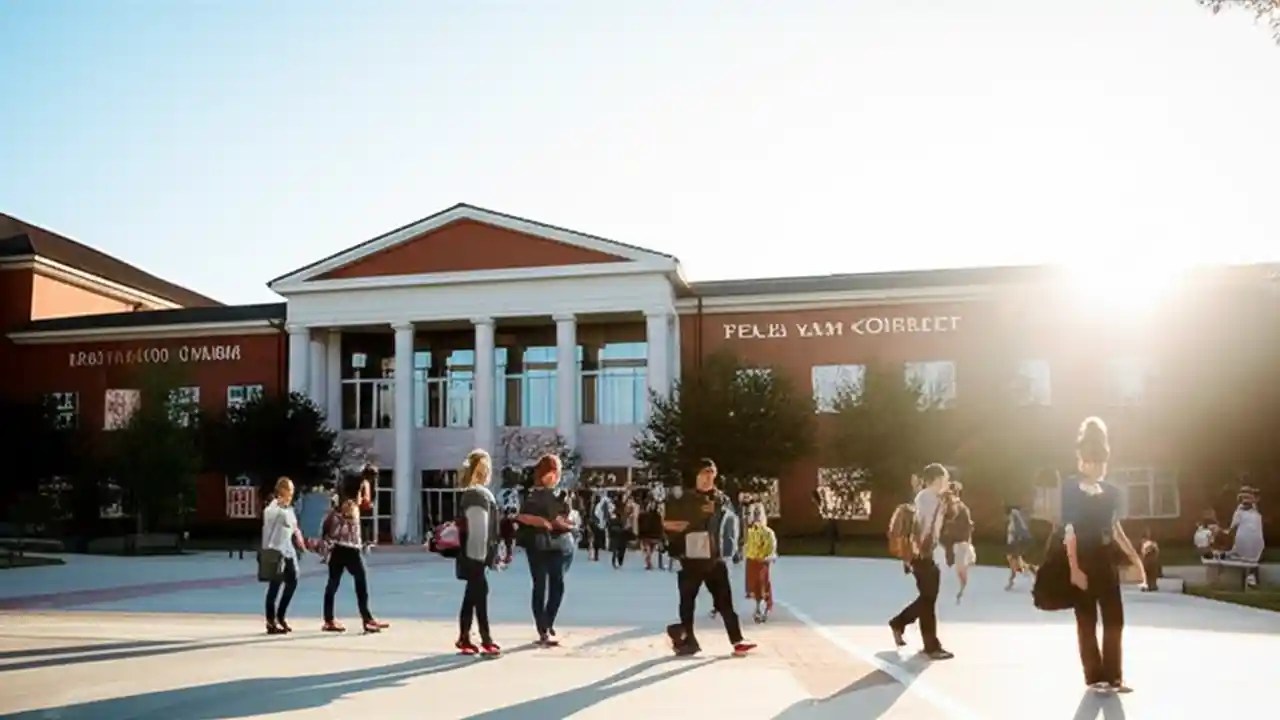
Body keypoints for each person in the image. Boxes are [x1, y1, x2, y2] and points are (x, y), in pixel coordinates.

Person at [1063, 417, 1145, 694]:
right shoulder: (1071, 490)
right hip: (1083, 559)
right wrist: (1074, 568)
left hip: (1106, 560)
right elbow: (1069, 531)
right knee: (1086, 620)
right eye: (1091, 461)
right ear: (1081, 461)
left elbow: (1115, 527)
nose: (1097, 467)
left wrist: (1135, 558)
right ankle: (1094, 676)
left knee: (1114, 619)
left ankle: (1114, 677)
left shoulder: (1111, 492)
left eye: (1101, 462)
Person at [663, 458, 756, 657]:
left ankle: (737, 640)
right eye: (703, 473)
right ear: (696, 476)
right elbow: (670, 525)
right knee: (687, 603)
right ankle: (686, 639)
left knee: (725, 602)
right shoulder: (684, 499)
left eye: (711, 473)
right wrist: (679, 547)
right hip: (691, 559)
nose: (707, 478)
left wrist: (734, 547)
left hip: (715, 559)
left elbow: (731, 524)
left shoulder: (721, 499)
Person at [888, 463, 954, 660]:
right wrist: (916, 554)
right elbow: (922, 527)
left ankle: (902, 625)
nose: (948, 482)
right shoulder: (927, 498)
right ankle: (929, 644)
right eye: (946, 478)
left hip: (925, 553)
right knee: (928, 598)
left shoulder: (934, 498)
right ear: (937, 479)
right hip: (922, 554)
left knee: (928, 598)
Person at [516, 454, 575, 646]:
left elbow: (570, 519)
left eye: (558, 471)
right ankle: (542, 628)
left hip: (559, 543)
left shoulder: (562, 495)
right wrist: (540, 522)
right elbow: (520, 516)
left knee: (558, 584)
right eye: (553, 471)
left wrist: (564, 523)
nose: (556, 475)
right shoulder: (530, 494)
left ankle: (549, 622)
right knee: (540, 584)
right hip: (537, 544)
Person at [320, 475, 390, 634]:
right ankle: (367, 619)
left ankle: (329, 619)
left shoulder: (341, 502)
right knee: (361, 580)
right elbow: (366, 503)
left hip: (337, 548)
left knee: (333, 583)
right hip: (350, 548)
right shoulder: (350, 505)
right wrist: (366, 486)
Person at [456, 449, 501, 657]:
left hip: (473, 555)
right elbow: (479, 530)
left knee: (472, 596)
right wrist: (481, 559)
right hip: (475, 555)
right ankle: (486, 639)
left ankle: (465, 638)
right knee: (479, 594)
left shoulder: (473, 493)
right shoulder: (477, 494)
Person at [262, 476, 305, 634]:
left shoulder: (289, 508)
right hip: (276, 550)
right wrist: (280, 507)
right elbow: (270, 520)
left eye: (292, 490)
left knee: (293, 580)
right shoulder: (273, 508)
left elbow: (294, 527)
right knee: (275, 585)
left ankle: (281, 615)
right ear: (282, 490)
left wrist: (300, 541)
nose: (291, 493)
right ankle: (270, 621)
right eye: (289, 490)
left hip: (288, 550)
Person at [938, 482, 976, 604]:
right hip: (949, 541)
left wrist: (967, 542)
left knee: (960, 568)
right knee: (947, 565)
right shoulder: (944, 507)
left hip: (960, 542)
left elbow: (968, 527)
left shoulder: (962, 508)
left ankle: (962, 590)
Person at [743, 503, 777, 623]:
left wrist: (769, 557)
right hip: (752, 561)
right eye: (754, 514)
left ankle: (764, 609)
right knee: (754, 586)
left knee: (764, 585)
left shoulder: (767, 532)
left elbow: (772, 547)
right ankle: (757, 609)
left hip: (761, 562)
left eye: (758, 514)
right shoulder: (751, 531)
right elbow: (748, 546)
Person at [1228, 487, 1265, 587]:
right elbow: (1233, 528)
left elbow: (1233, 528)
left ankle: (1251, 580)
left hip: (1255, 540)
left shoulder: (1255, 511)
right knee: (1247, 561)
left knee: (1251, 561)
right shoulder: (1240, 512)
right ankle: (1249, 581)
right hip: (1245, 540)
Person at [1005, 503, 1036, 590]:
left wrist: (1014, 542)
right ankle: (1012, 581)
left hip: (1015, 545)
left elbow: (1019, 533)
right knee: (1016, 563)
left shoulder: (1016, 521)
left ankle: (1011, 582)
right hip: (1013, 545)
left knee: (1014, 563)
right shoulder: (1015, 521)